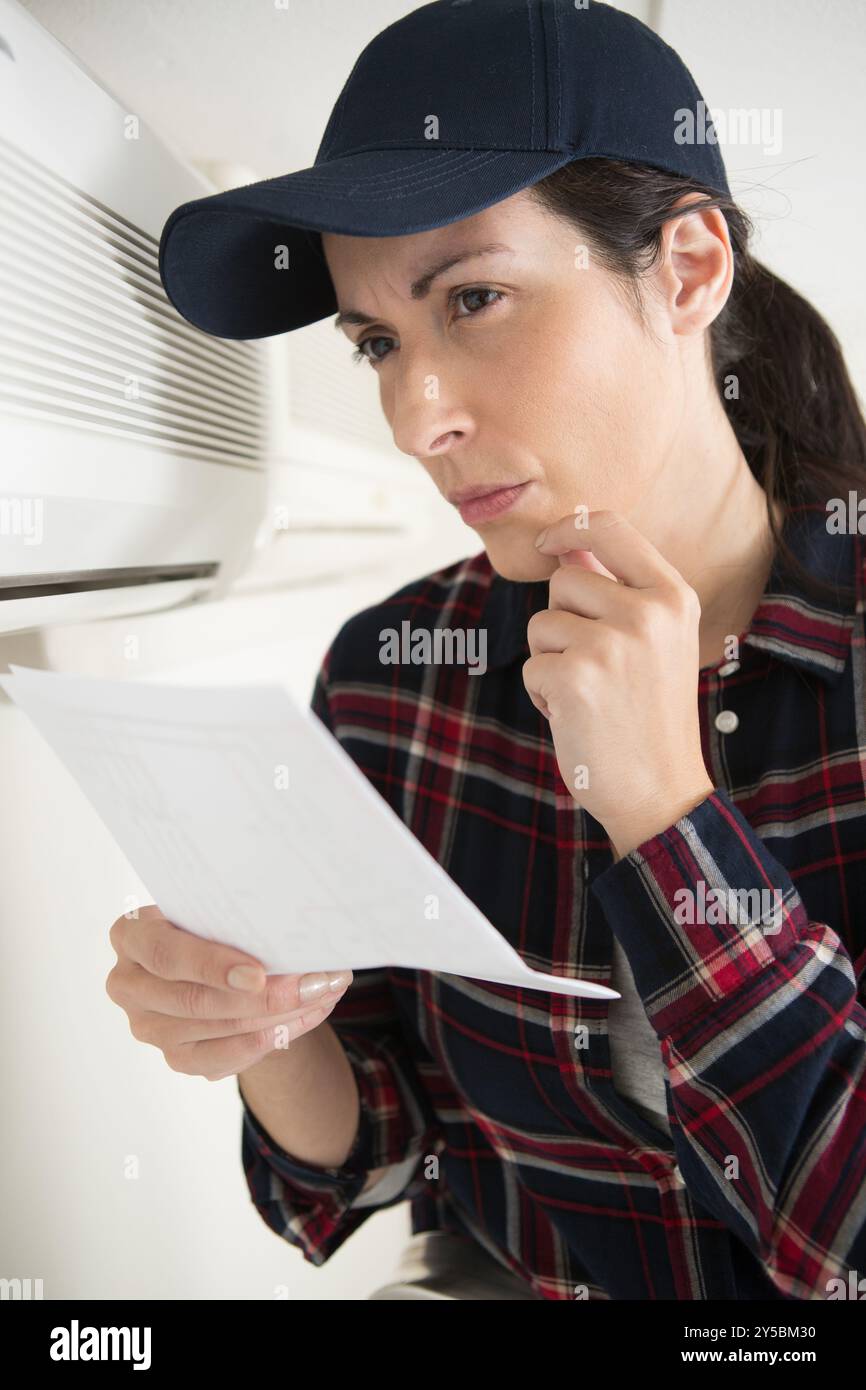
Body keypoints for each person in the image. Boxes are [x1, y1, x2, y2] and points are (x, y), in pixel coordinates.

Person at [108, 0, 866, 1299]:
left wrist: (661, 808)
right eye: (378, 342)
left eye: (475, 297)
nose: (415, 416)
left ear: (685, 271)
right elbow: (386, 1146)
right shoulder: (390, 676)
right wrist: (258, 1024)